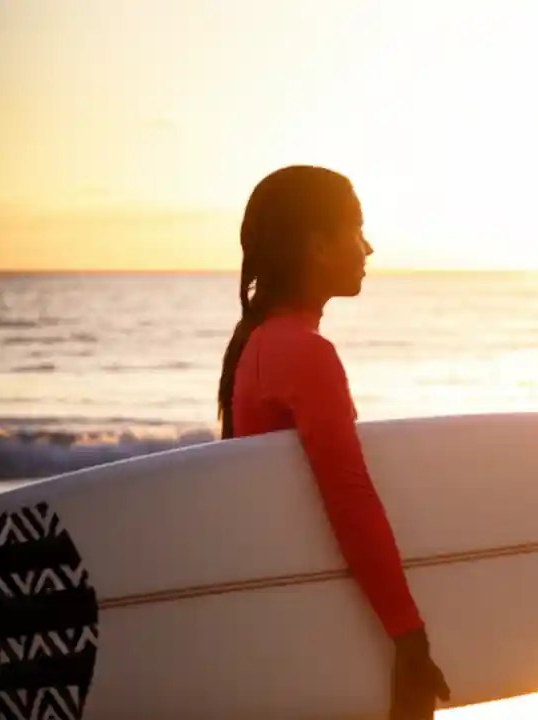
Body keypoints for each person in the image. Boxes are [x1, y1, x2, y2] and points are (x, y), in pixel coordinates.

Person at [216, 165, 450, 719]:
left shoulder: (258, 345)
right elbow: (347, 498)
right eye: (356, 229)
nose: (367, 247)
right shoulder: (305, 353)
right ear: (318, 244)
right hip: (325, 628)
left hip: (287, 635)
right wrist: (408, 639)